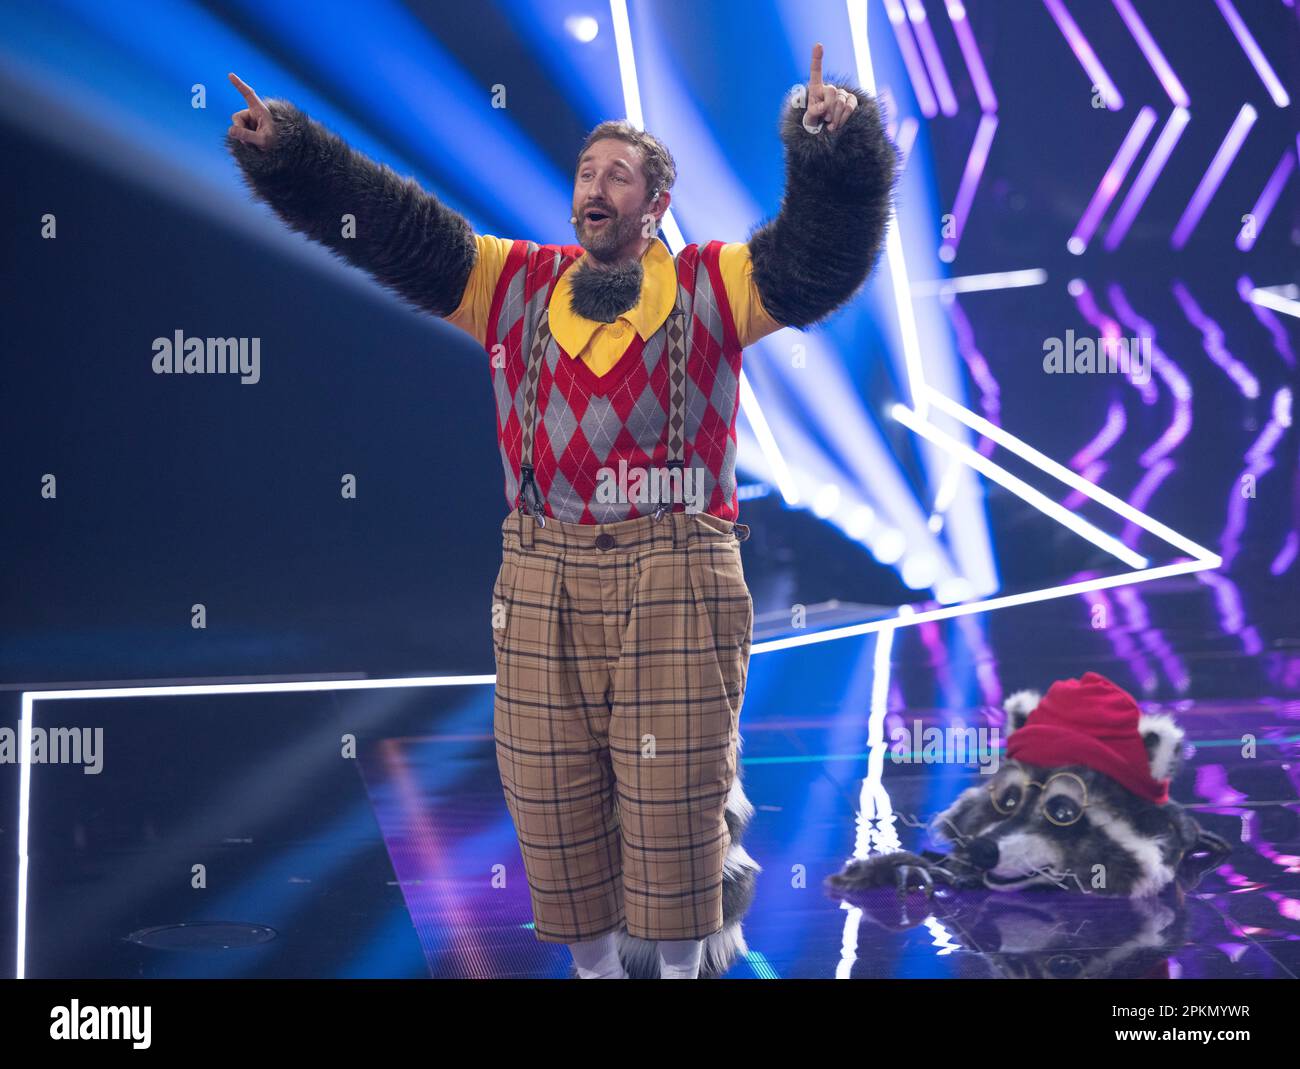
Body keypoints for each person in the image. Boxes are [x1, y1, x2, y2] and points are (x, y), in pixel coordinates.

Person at [226, 42, 896, 978]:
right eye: (586, 172)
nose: (594, 187)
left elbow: (819, 261)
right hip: (543, 571)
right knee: (550, 796)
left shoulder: (715, 283)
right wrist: (291, 155)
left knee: (674, 797)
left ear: (656, 203)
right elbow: (389, 226)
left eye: (617, 175)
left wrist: (833, 150)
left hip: (677, 571)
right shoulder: (512, 283)